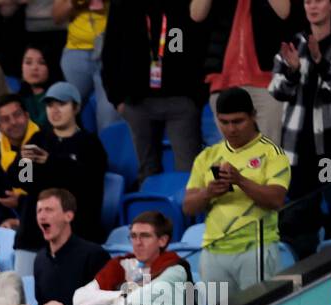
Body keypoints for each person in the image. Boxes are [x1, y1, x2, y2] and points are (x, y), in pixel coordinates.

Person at [270, 0, 331, 259]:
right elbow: (276, 90)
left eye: (318, 0)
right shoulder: (294, 43)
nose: (312, 6)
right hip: (298, 148)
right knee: (299, 218)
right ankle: (304, 274)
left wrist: (321, 63)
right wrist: (292, 71)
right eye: (308, 1)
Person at [182, 86, 291, 286]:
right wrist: (208, 193)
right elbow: (188, 207)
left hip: (256, 248)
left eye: (238, 121)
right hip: (213, 250)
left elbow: (276, 200)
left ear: (253, 116)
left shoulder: (273, 153)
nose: (231, 129)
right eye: (224, 122)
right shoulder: (207, 156)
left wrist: (240, 180)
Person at [101, 0, 208, 180]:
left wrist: (196, 96)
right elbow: (111, 50)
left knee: (189, 174)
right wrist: (117, 98)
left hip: (182, 99)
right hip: (137, 101)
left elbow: (201, 44)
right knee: (146, 172)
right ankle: (149, 207)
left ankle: (188, 208)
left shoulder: (185, 4)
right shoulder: (123, 5)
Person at [13, 189, 111, 305]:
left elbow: (106, 304)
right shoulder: (40, 259)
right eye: (39, 211)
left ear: (68, 215)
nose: (42, 216)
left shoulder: (93, 254)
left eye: (49, 210)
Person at [72, 211, 194, 305]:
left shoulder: (175, 270)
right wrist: (120, 295)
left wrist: (102, 300)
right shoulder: (121, 265)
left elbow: (135, 303)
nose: (138, 243)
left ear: (162, 240)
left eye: (145, 236)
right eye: (133, 236)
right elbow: (79, 299)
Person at [191, 0, 303, 148]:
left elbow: (284, 11)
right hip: (224, 80)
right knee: (234, 155)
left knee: (269, 151)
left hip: (266, 82)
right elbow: (196, 14)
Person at [0, 94, 63, 274]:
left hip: (43, 227)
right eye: (5, 119)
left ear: (26, 115)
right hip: (19, 227)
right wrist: (4, 219)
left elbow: (30, 184)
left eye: (17, 115)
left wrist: (22, 199)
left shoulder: (44, 142)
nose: (13, 122)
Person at [42, 80, 108, 241]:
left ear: (76, 108)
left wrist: (50, 162)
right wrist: (24, 169)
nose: (55, 110)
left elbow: (88, 182)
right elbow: (25, 180)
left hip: (81, 231)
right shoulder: (37, 140)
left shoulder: (91, 144)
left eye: (62, 104)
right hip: (40, 232)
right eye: (50, 105)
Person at [55, 0, 117, 135]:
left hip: (112, 51)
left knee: (110, 117)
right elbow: (56, 17)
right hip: (76, 52)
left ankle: (108, 154)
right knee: (65, 112)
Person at [18, 45, 55, 127]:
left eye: (42, 62)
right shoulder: (16, 100)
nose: (34, 68)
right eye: (28, 62)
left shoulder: (59, 98)